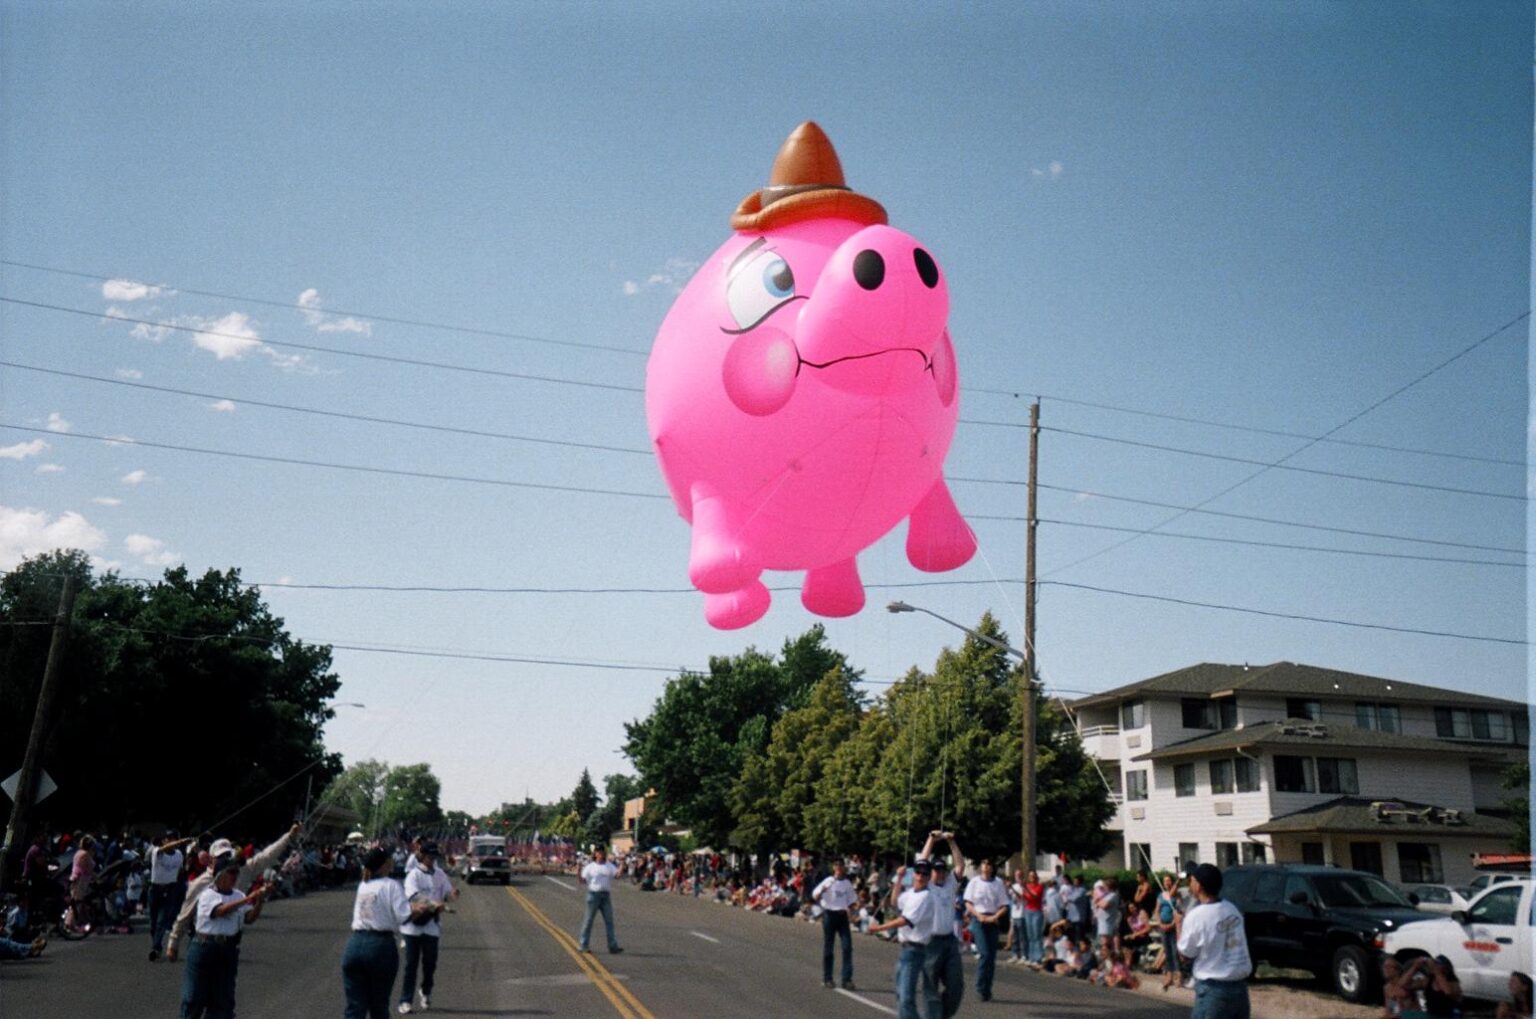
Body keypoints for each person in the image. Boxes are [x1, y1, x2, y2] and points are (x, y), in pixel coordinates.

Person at [167, 823, 302, 961]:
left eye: (228, 856)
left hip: (230, 941)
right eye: (221, 857)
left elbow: (267, 856)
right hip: (204, 940)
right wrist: (173, 944)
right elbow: (184, 916)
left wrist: (289, 836)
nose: (225, 860)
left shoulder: (242, 872)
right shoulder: (199, 884)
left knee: (225, 981)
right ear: (212, 859)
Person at [344, 847, 438, 1019]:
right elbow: (403, 916)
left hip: (355, 944)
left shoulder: (363, 885)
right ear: (384, 864)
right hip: (379, 946)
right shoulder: (391, 885)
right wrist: (419, 909)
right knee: (379, 1005)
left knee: (354, 1007)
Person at [182, 854, 269, 1019]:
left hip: (227, 949)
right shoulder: (208, 894)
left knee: (223, 1001)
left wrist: (259, 901)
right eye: (232, 872)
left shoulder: (238, 895)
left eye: (237, 872)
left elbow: (249, 918)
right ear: (220, 874)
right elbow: (219, 911)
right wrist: (250, 898)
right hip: (204, 948)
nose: (235, 876)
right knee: (194, 998)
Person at [1176, 863, 1252, 1019]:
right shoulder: (1232, 909)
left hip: (1213, 988)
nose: (1190, 883)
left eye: (1192, 880)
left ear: (1199, 886)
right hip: (1239, 988)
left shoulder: (1196, 916)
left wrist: (1178, 925)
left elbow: (1185, 954)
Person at [871, 861, 937, 1019]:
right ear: (913, 874)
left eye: (924, 874)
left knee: (906, 998)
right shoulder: (910, 893)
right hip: (905, 949)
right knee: (901, 995)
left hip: (916, 949)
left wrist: (879, 928)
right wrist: (899, 879)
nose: (920, 876)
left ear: (929, 877)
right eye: (918, 872)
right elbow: (895, 902)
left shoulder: (926, 896)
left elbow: (905, 920)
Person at [399, 842, 458, 1015]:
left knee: (430, 963)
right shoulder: (413, 875)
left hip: (432, 925)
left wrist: (452, 895)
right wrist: (434, 904)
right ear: (422, 856)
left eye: (434, 857)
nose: (432, 860)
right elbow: (414, 896)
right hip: (413, 926)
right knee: (411, 965)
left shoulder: (440, 874)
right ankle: (405, 1000)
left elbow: (447, 893)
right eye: (430, 857)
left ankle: (426, 991)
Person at [917, 830, 965, 1019]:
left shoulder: (951, 885)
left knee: (956, 985)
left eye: (942, 870)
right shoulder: (926, 885)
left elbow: (960, 865)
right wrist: (931, 839)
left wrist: (952, 842)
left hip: (949, 941)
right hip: (930, 942)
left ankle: (942, 1016)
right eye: (936, 870)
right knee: (930, 987)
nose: (940, 874)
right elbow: (922, 860)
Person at [962, 857, 1008, 1001]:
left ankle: (988, 988)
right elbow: (968, 903)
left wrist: (995, 916)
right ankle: (980, 987)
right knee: (984, 954)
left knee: (991, 957)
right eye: (984, 864)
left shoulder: (998, 883)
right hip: (978, 919)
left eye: (989, 864)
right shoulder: (975, 882)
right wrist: (978, 915)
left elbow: (1004, 905)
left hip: (992, 919)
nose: (986, 867)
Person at [811, 857, 857, 990]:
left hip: (842, 916)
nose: (838, 868)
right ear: (833, 868)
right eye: (836, 865)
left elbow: (852, 900)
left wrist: (852, 910)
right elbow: (815, 895)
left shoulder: (847, 883)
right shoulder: (828, 881)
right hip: (829, 915)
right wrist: (822, 891)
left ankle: (846, 979)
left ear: (843, 868)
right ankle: (827, 978)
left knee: (847, 947)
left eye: (840, 865)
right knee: (829, 947)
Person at [149, 830, 194, 961]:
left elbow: (181, 870)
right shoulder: (157, 851)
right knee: (153, 922)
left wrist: (189, 862)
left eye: (174, 838)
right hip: (155, 888)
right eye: (168, 839)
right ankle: (155, 944)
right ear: (164, 841)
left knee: (161, 921)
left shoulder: (179, 854)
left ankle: (156, 947)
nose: (171, 841)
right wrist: (181, 841)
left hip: (170, 888)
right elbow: (164, 849)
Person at [577, 846, 623, 955]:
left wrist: (622, 864)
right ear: (595, 854)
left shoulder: (609, 866)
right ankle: (583, 944)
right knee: (588, 920)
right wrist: (578, 871)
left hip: (605, 896)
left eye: (603, 852)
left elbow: (617, 875)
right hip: (593, 895)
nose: (601, 854)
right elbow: (582, 881)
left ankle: (613, 946)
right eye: (599, 852)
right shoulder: (590, 867)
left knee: (609, 921)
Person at [1155, 872, 1182, 991]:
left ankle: (1178, 974)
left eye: (1169, 880)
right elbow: (1157, 911)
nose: (1167, 883)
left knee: (1174, 950)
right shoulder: (1161, 895)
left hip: (1173, 925)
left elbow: (1179, 909)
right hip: (1163, 925)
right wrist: (1160, 923)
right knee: (1167, 950)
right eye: (1165, 881)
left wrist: (1172, 924)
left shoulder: (1176, 894)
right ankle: (1169, 973)